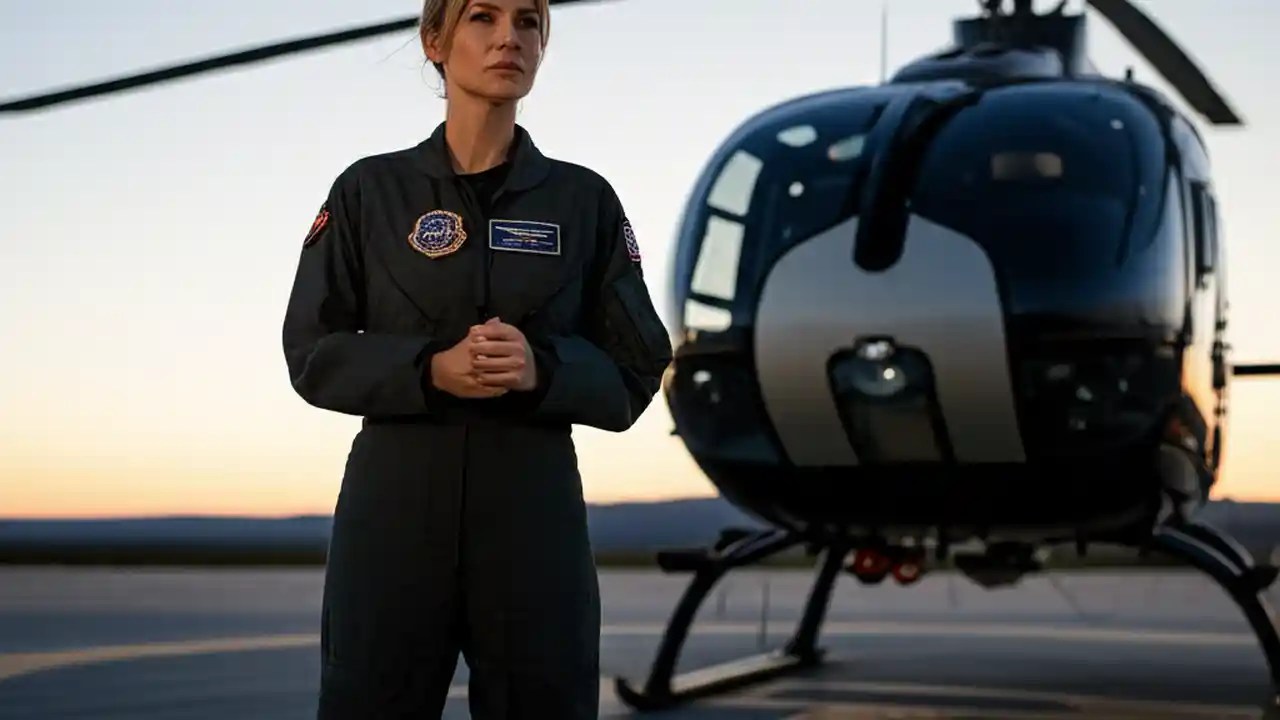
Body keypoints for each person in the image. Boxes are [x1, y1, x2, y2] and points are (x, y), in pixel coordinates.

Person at [280, 0, 673, 716]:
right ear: (435, 41)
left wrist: (542, 370)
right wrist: (429, 369)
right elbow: (311, 350)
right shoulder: (370, 191)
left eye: (527, 23)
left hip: (533, 513)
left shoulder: (583, 201)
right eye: (482, 18)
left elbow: (638, 368)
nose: (507, 40)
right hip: (395, 509)